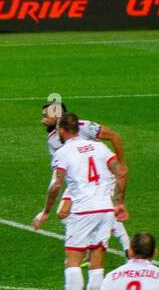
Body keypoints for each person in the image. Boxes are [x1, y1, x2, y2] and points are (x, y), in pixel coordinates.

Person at [33, 114, 123, 290]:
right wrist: (119, 202)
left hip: (83, 210)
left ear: (63, 130)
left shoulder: (63, 152)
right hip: (105, 209)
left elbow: (56, 185)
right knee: (96, 261)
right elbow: (120, 172)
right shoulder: (99, 147)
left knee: (72, 262)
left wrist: (45, 211)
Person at [41, 99, 128, 249]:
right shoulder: (52, 140)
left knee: (103, 211)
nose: (43, 120)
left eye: (46, 116)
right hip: (79, 180)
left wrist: (120, 162)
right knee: (63, 213)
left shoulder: (83, 126)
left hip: (101, 176)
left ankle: (126, 247)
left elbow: (114, 136)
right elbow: (59, 169)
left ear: (57, 116)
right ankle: (91, 242)